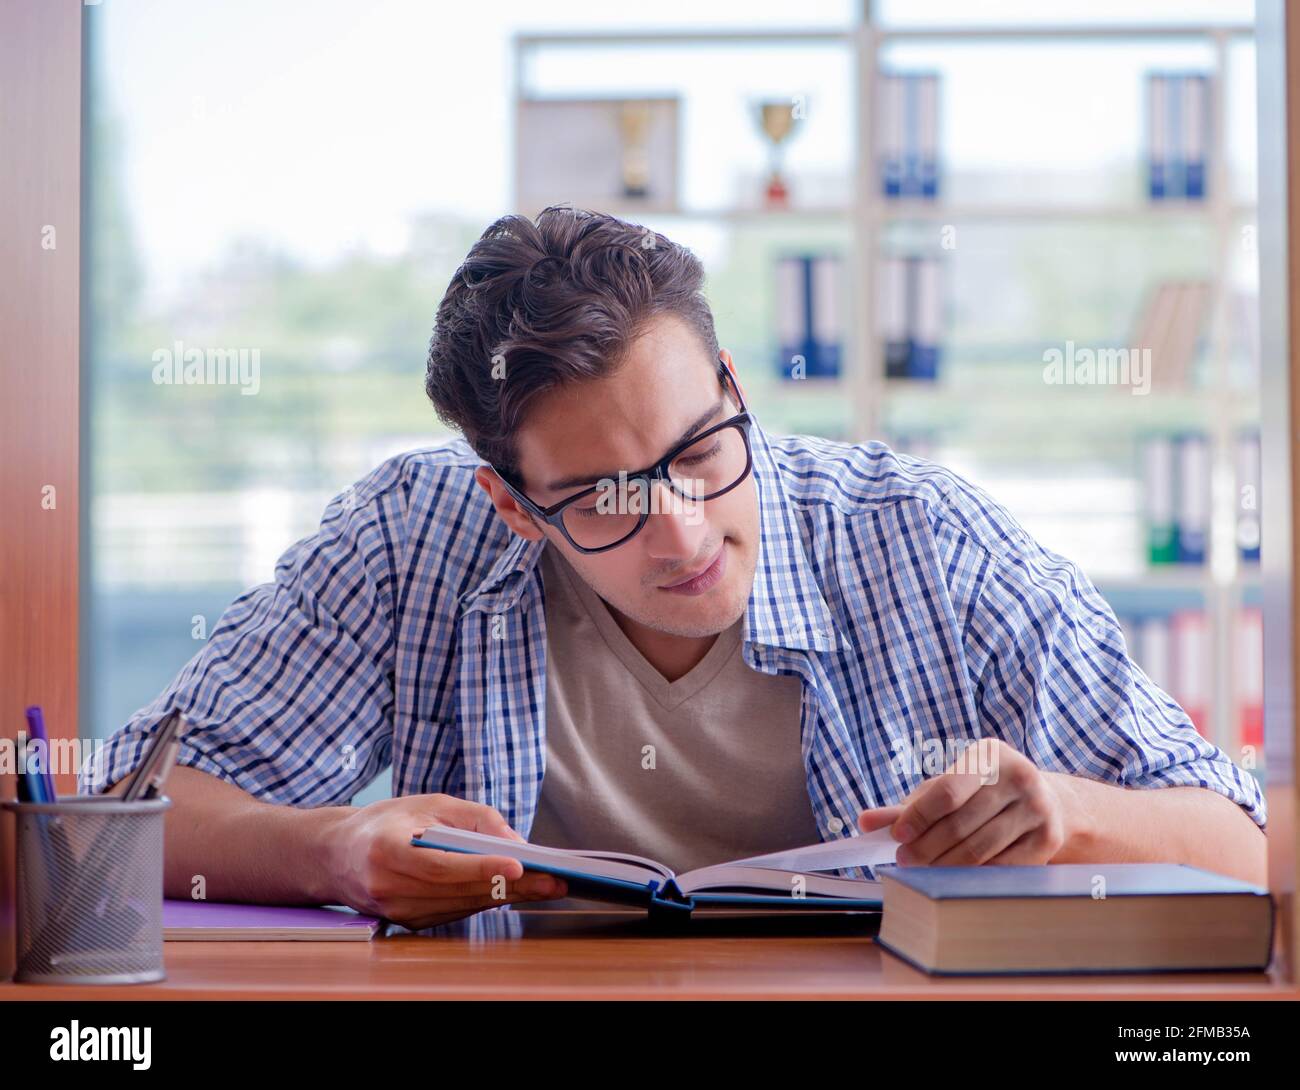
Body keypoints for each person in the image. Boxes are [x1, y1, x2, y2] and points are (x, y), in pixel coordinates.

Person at [81, 206, 1266, 930]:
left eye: (699, 448)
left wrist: (1067, 820)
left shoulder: (924, 539)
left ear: (733, 386)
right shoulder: (411, 536)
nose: (685, 532)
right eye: (602, 497)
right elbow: (114, 812)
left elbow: (1243, 844)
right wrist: (329, 852)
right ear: (510, 503)